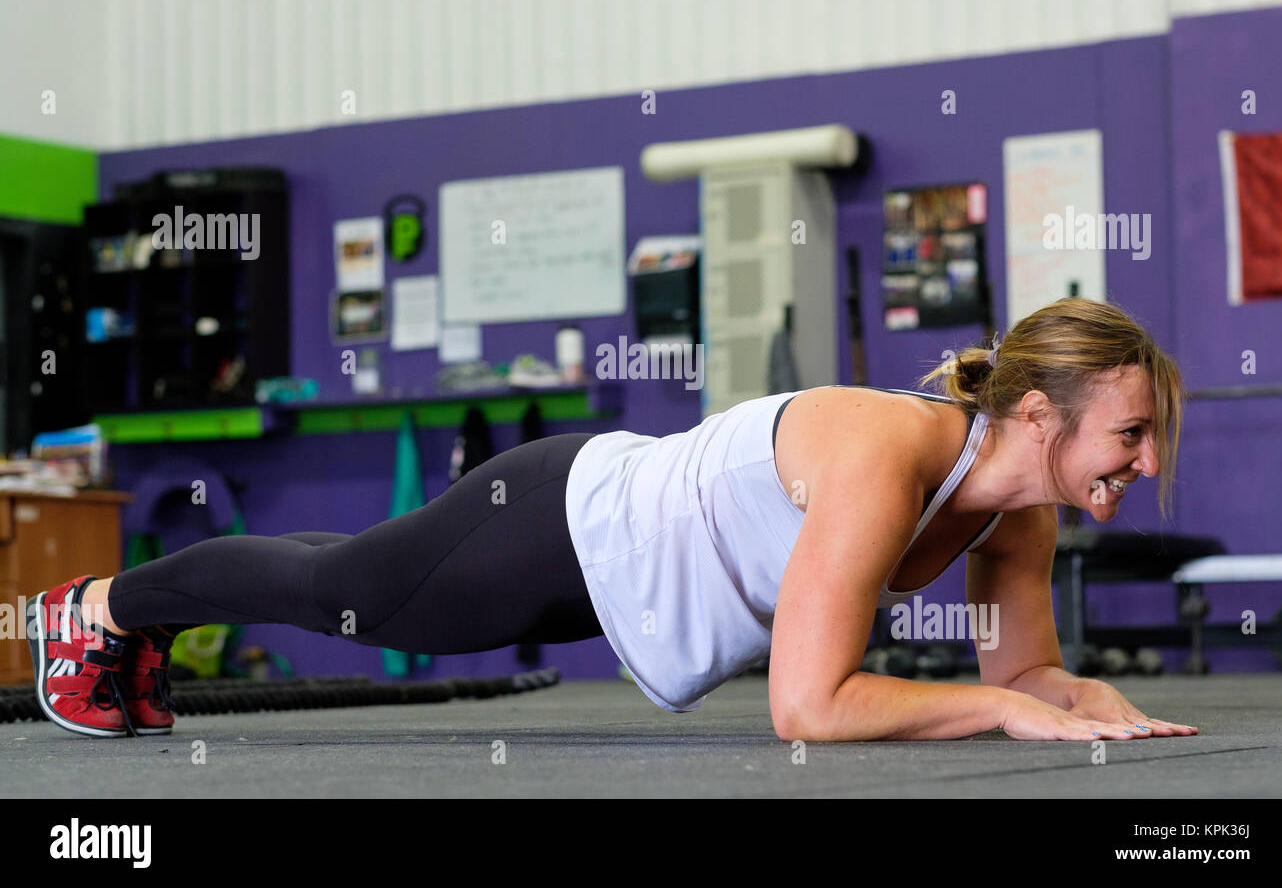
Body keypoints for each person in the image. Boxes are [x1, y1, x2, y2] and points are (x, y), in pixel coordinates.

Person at [29, 296, 1198, 742]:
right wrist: (1000, 706)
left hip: (609, 563)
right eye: (1129, 436)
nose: (1140, 466)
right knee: (341, 591)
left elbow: (1028, 673)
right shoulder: (890, 451)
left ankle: (122, 622)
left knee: (341, 573)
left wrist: (1077, 697)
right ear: (1040, 413)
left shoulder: (1019, 520)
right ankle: (97, 606)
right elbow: (809, 703)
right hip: (565, 516)